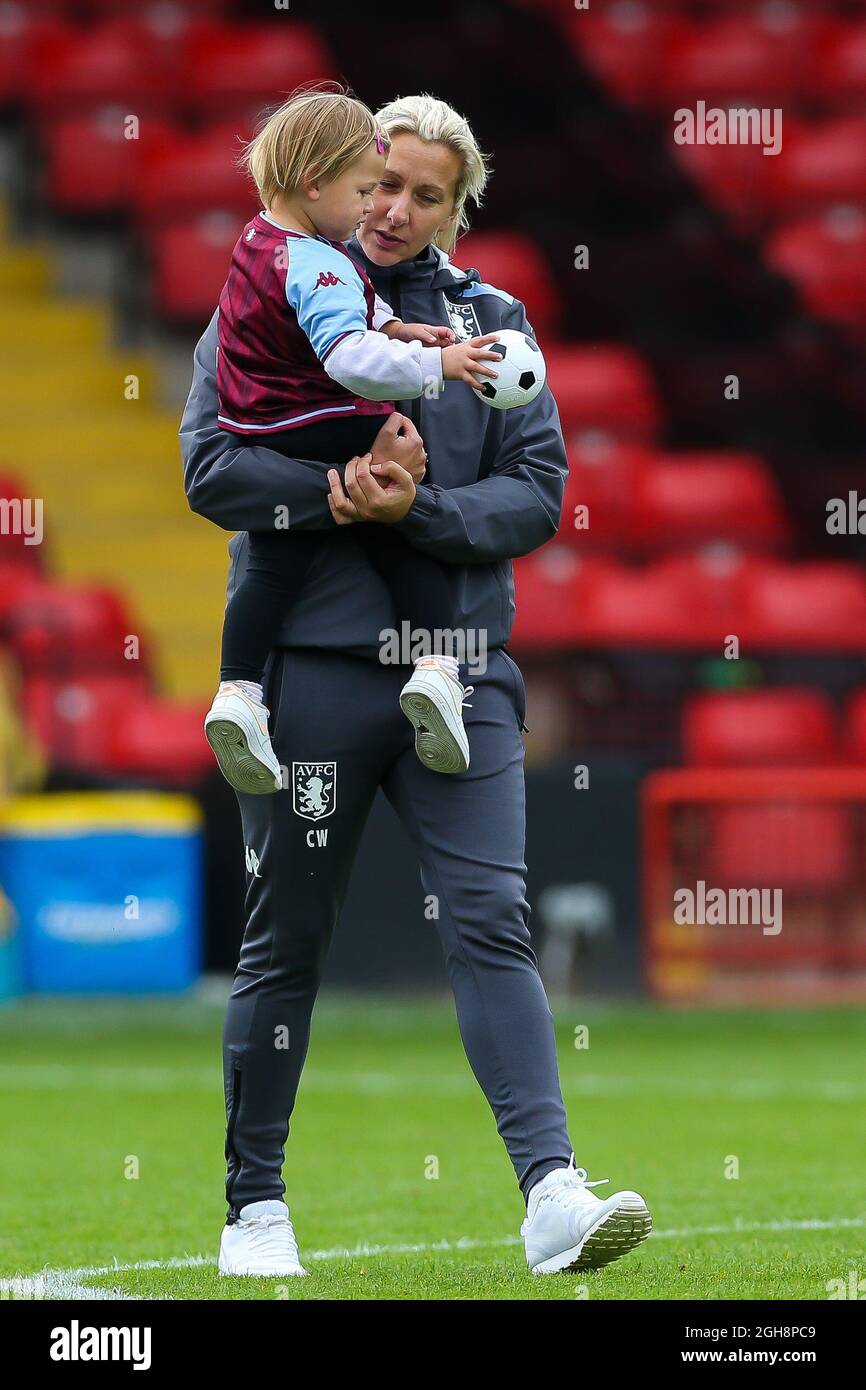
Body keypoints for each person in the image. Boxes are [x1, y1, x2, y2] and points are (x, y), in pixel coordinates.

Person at [180, 92, 652, 1278]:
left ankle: (551, 1191)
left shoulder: (496, 324)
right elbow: (208, 465)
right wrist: (330, 493)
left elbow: (537, 494)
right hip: (310, 679)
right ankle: (254, 1209)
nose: (392, 208)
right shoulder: (280, 289)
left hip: (459, 676)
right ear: (350, 173)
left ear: (457, 208)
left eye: (423, 194)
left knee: (492, 921)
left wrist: (420, 509)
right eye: (380, 181)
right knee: (285, 941)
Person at [207, 86, 503, 792]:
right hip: (320, 425)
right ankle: (435, 669)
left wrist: (398, 326)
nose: (377, 208)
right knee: (399, 515)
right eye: (370, 188)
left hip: (260, 432)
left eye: (418, 196)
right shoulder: (321, 261)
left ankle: (237, 693)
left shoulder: (260, 239)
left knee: (271, 564)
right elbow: (349, 358)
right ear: (318, 184)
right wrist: (438, 364)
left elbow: (345, 305)